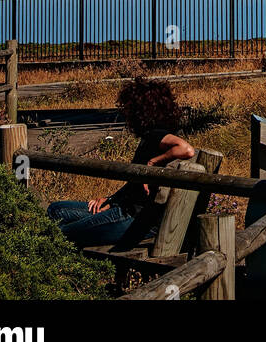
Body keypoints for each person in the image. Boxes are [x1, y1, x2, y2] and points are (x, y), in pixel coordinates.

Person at [47, 76, 196, 250]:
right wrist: (110, 200)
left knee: (61, 232)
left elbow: (186, 149)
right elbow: (134, 186)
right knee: (56, 210)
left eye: (129, 109)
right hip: (124, 208)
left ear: (140, 111)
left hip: (133, 219)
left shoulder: (155, 135)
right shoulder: (150, 137)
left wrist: (152, 162)